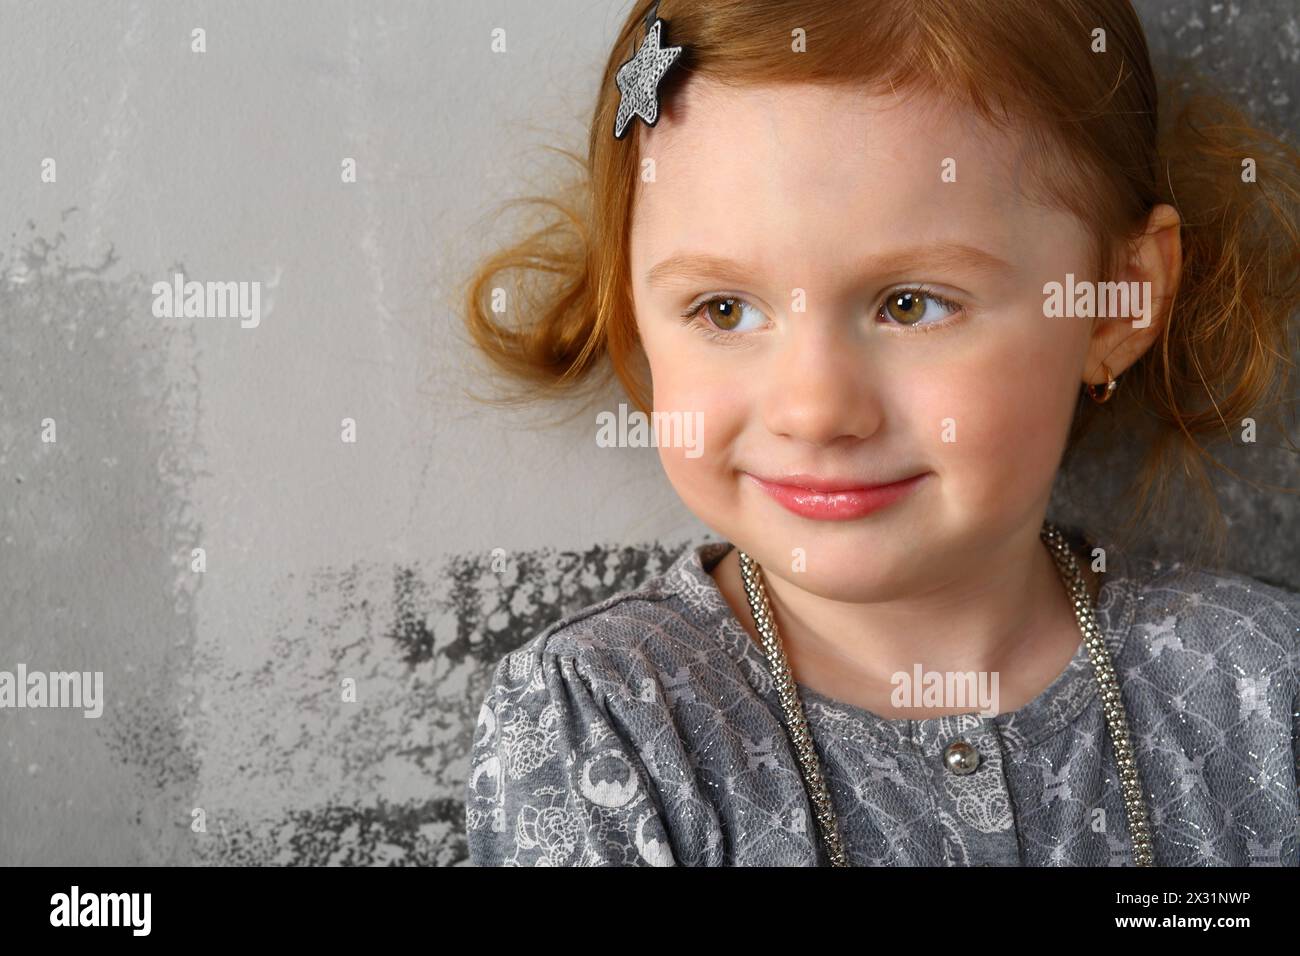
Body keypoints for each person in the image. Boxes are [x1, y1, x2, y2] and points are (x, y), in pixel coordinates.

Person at [459, 0, 1300, 866]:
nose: (815, 410)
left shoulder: (1262, 689)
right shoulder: (607, 723)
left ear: (1119, 298)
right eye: (724, 309)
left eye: (911, 305)